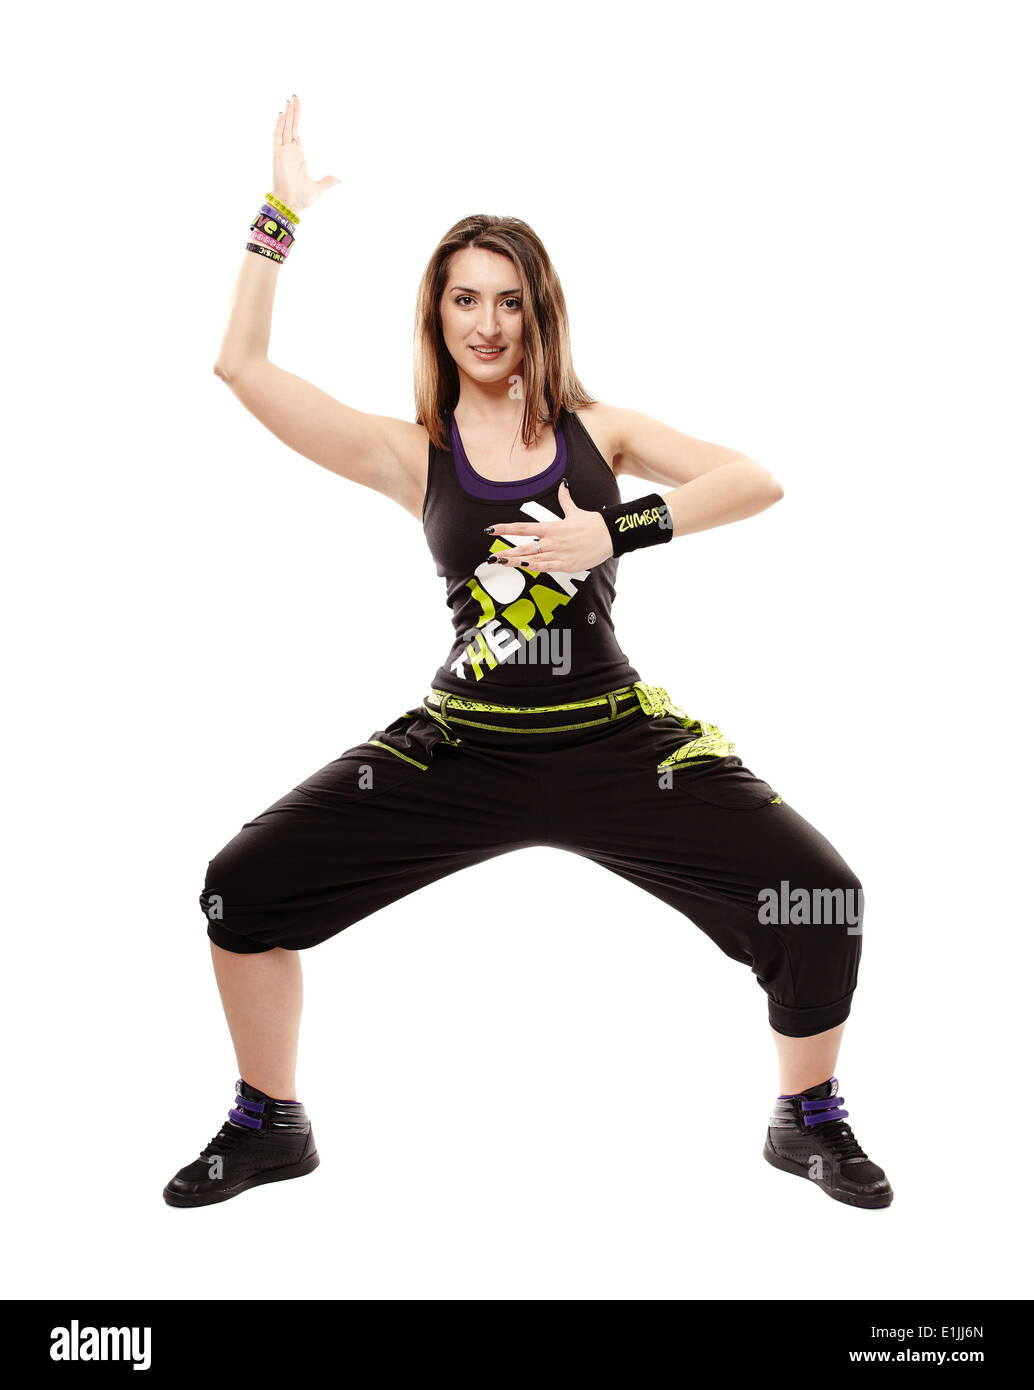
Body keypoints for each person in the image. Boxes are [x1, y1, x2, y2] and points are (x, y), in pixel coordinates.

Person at [163, 96, 892, 1211]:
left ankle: (806, 1116)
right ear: (437, 313)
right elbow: (240, 367)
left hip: (613, 741)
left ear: (539, 309)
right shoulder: (414, 456)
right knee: (238, 889)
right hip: (461, 746)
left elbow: (753, 477)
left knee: (820, 897)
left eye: (508, 299)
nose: (486, 322)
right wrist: (278, 214)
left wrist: (618, 526)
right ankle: (269, 1119)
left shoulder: (601, 434)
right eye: (464, 299)